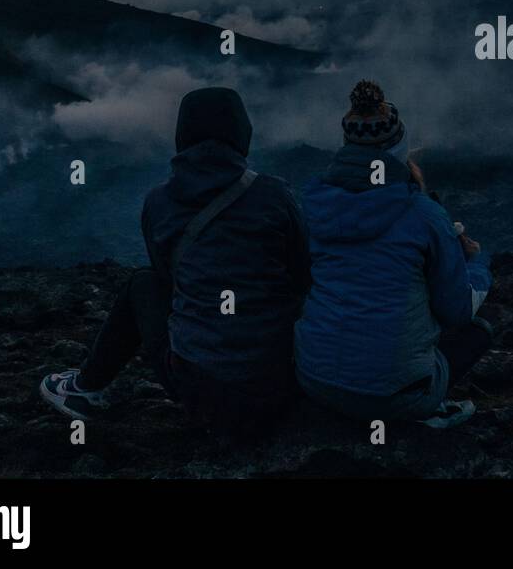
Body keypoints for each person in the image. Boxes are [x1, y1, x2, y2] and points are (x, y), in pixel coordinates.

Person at [40, 87, 311, 441]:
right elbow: (304, 274)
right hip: (279, 382)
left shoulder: (159, 203)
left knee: (143, 284)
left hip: (198, 385)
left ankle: (84, 387)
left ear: (182, 135)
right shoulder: (276, 195)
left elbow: (168, 278)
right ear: (242, 134)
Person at [295, 80, 493, 427]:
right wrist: (475, 263)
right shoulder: (424, 215)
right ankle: (422, 409)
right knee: (477, 332)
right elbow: (457, 310)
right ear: (399, 150)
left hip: (314, 382)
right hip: (393, 398)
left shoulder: (312, 206)